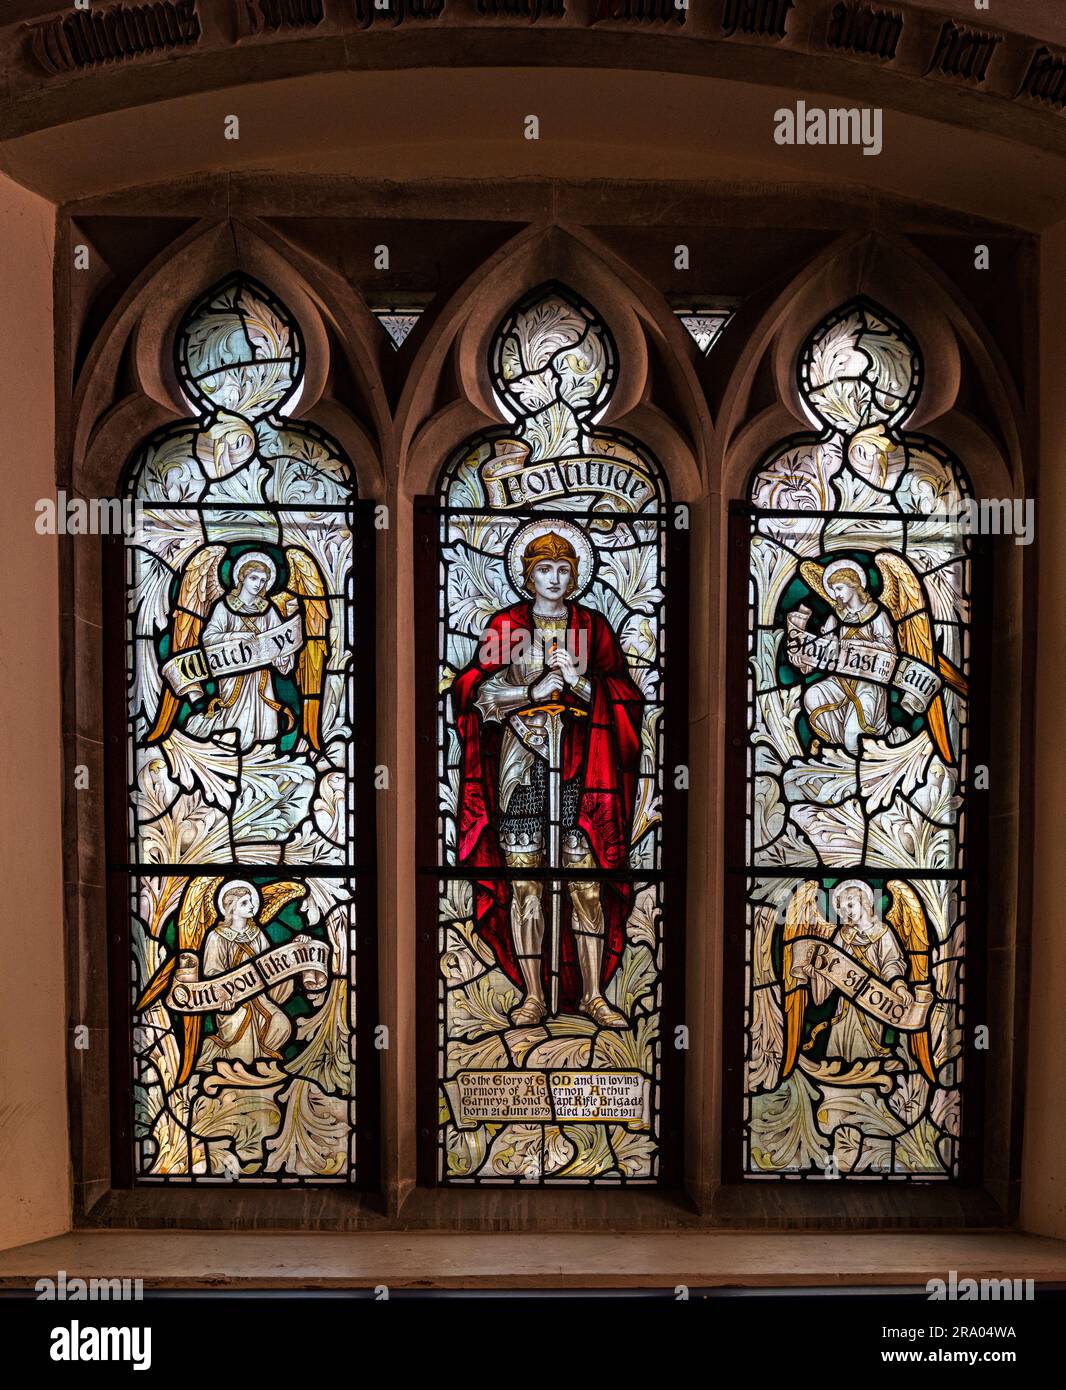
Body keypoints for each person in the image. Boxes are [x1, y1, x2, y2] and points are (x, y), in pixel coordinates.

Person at [451, 528, 643, 1029]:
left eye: (563, 570)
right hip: (522, 767)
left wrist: (580, 685)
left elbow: (626, 699)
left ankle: (595, 994)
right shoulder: (508, 626)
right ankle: (534, 994)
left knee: (586, 883)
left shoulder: (592, 628)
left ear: (575, 576)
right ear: (527, 574)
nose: (554, 579)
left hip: (583, 770)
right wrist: (532, 692)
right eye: (543, 569)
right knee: (525, 884)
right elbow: (474, 694)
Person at [185, 552, 298, 751]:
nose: (258, 584)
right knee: (234, 719)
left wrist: (282, 658)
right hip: (232, 673)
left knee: (266, 725)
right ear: (242, 578)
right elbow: (208, 637)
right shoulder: (224, 606)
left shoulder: (268, 609)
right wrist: (233, 636)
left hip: (261, 677)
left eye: (263, 580)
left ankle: (263, 756)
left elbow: (282, 642)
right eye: (253, 578)